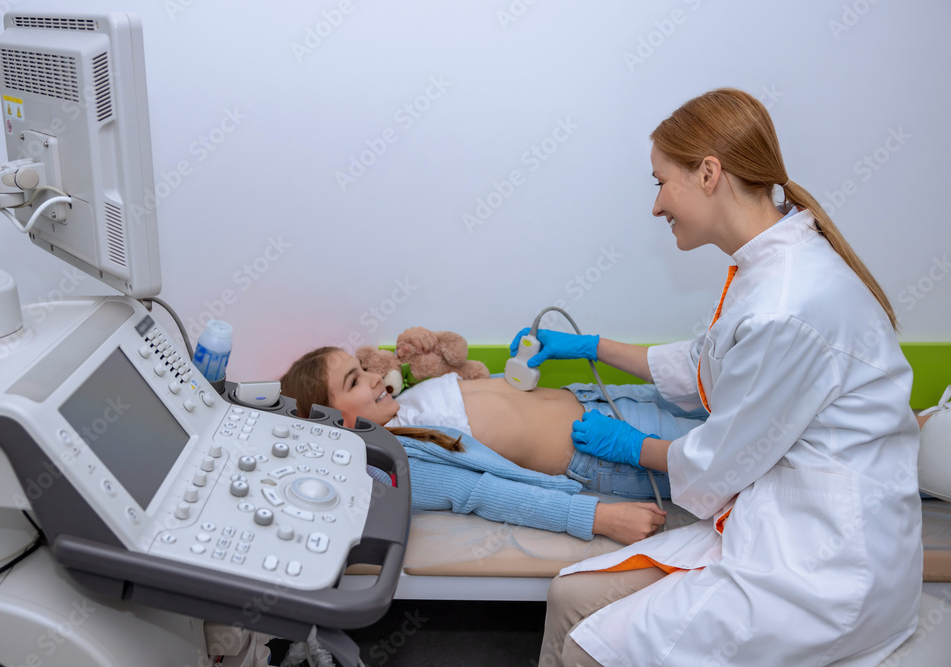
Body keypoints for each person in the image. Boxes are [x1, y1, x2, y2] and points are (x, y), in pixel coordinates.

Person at [523, 88, 922, 666]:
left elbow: (720, 458)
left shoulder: (788, 303)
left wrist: (632, 446)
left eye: (661, 182)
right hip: (778, 519)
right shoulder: (768, 270)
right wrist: (592, 347)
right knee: (568, 595)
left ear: (709, 173)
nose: (656, 206)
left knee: (591, 649)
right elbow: (705, 363)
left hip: (825, 565)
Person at [279, 340, 707, 545]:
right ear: (333, 421)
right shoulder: (397, 458)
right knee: (729, 460)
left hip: (602, 400)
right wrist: (599, 517)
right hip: (611, 453)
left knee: (731, 409)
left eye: (362, 369)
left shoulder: (401, 404)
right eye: (354, 381)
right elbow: (486, 494)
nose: (375, 377)